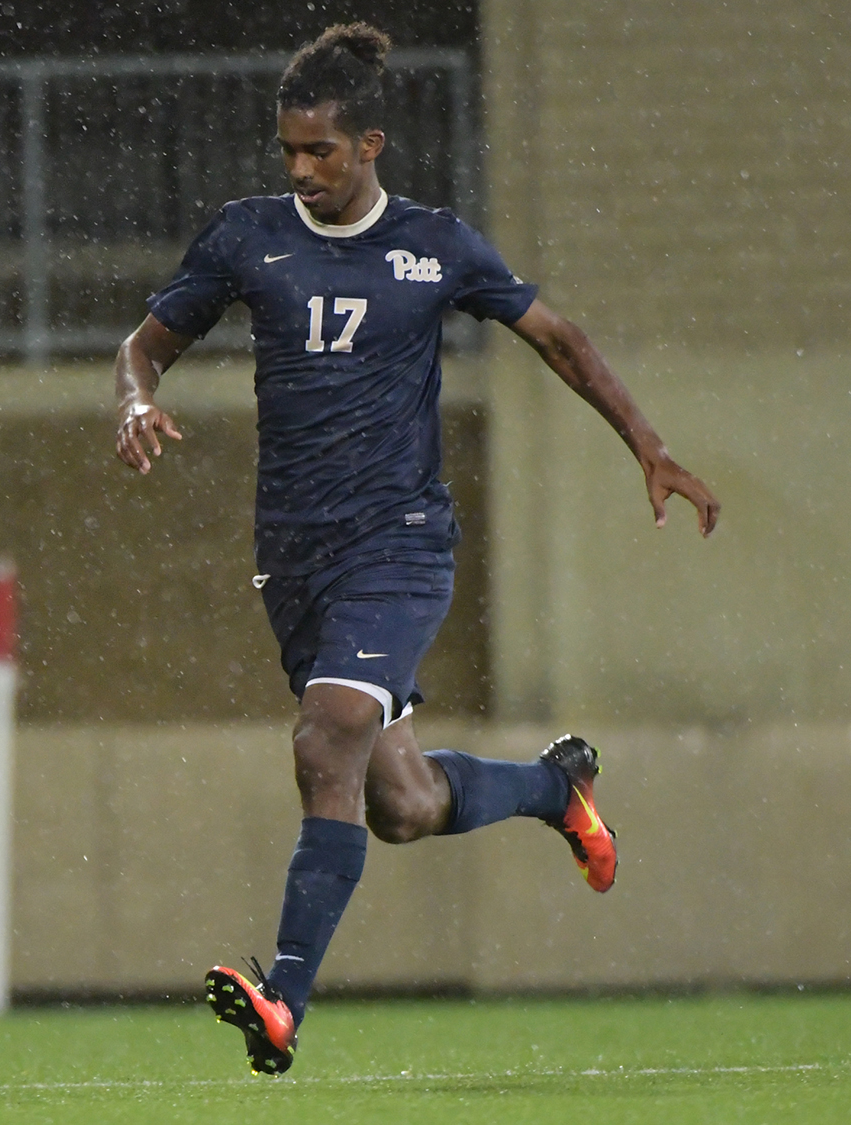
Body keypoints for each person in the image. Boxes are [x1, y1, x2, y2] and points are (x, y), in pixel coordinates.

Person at [112, 24, 720, 1075]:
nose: (300, 171)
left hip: (397, 542)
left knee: (325, 736)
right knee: (399, 804)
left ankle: (282, 1002)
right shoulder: (244, 237)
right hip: (292, 556)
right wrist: (132, 402)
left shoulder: (436, 247)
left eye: (321, 153)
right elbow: (145, 346)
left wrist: (649, 445)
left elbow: (559, 340)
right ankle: (551, 789)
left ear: (370, 144)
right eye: (288, 151)